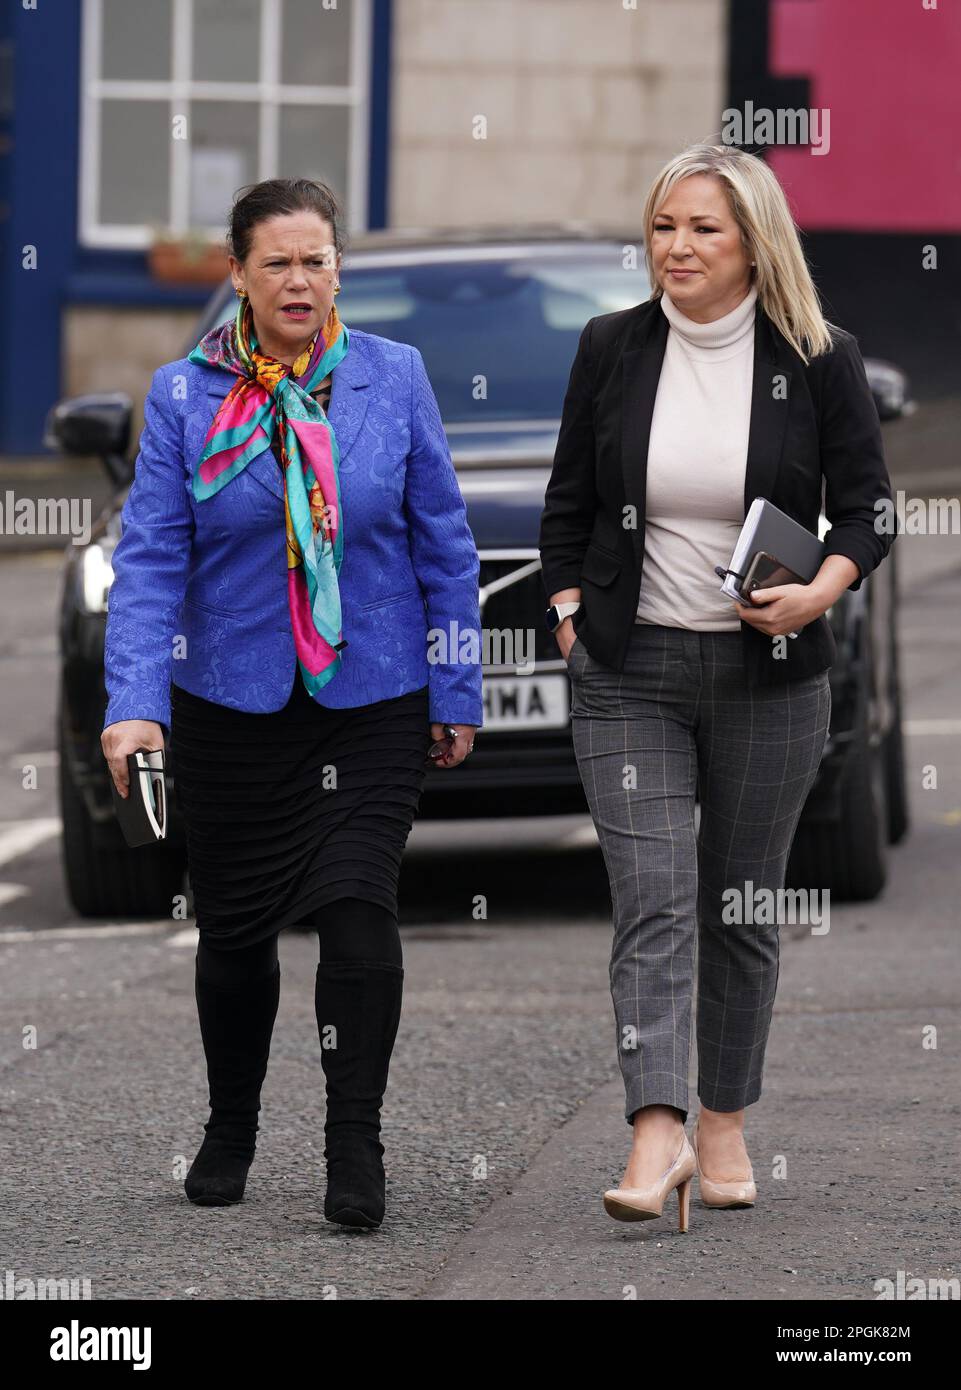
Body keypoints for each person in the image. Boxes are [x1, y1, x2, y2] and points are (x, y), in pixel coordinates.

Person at [100, 178, 483, 1228]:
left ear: (337, 271)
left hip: (372, 693)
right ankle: (232, 1122)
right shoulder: (184, 396)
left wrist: (457, 685)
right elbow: (147, 562)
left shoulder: (393, 378)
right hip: (230, 697)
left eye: (317, 259)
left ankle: (353, 1144)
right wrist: (135, 703)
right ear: (239, 276)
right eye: (277, 261)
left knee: (360, 906)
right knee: (234, 930)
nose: (300, 279)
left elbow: (445, 549)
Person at [538, 143, 895, 1231]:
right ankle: (655, 1130)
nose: (677, 248)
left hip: (768, 673)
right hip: (628, 668)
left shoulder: (815, 355)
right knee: (651, 900)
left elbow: (868, 510)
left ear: (752, 243)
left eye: (703, 229)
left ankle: (724, 1121)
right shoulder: (609, 347)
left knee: (738, 908)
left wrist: (816, 593)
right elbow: (565, 508)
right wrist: (565, 616)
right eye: (662, 227)